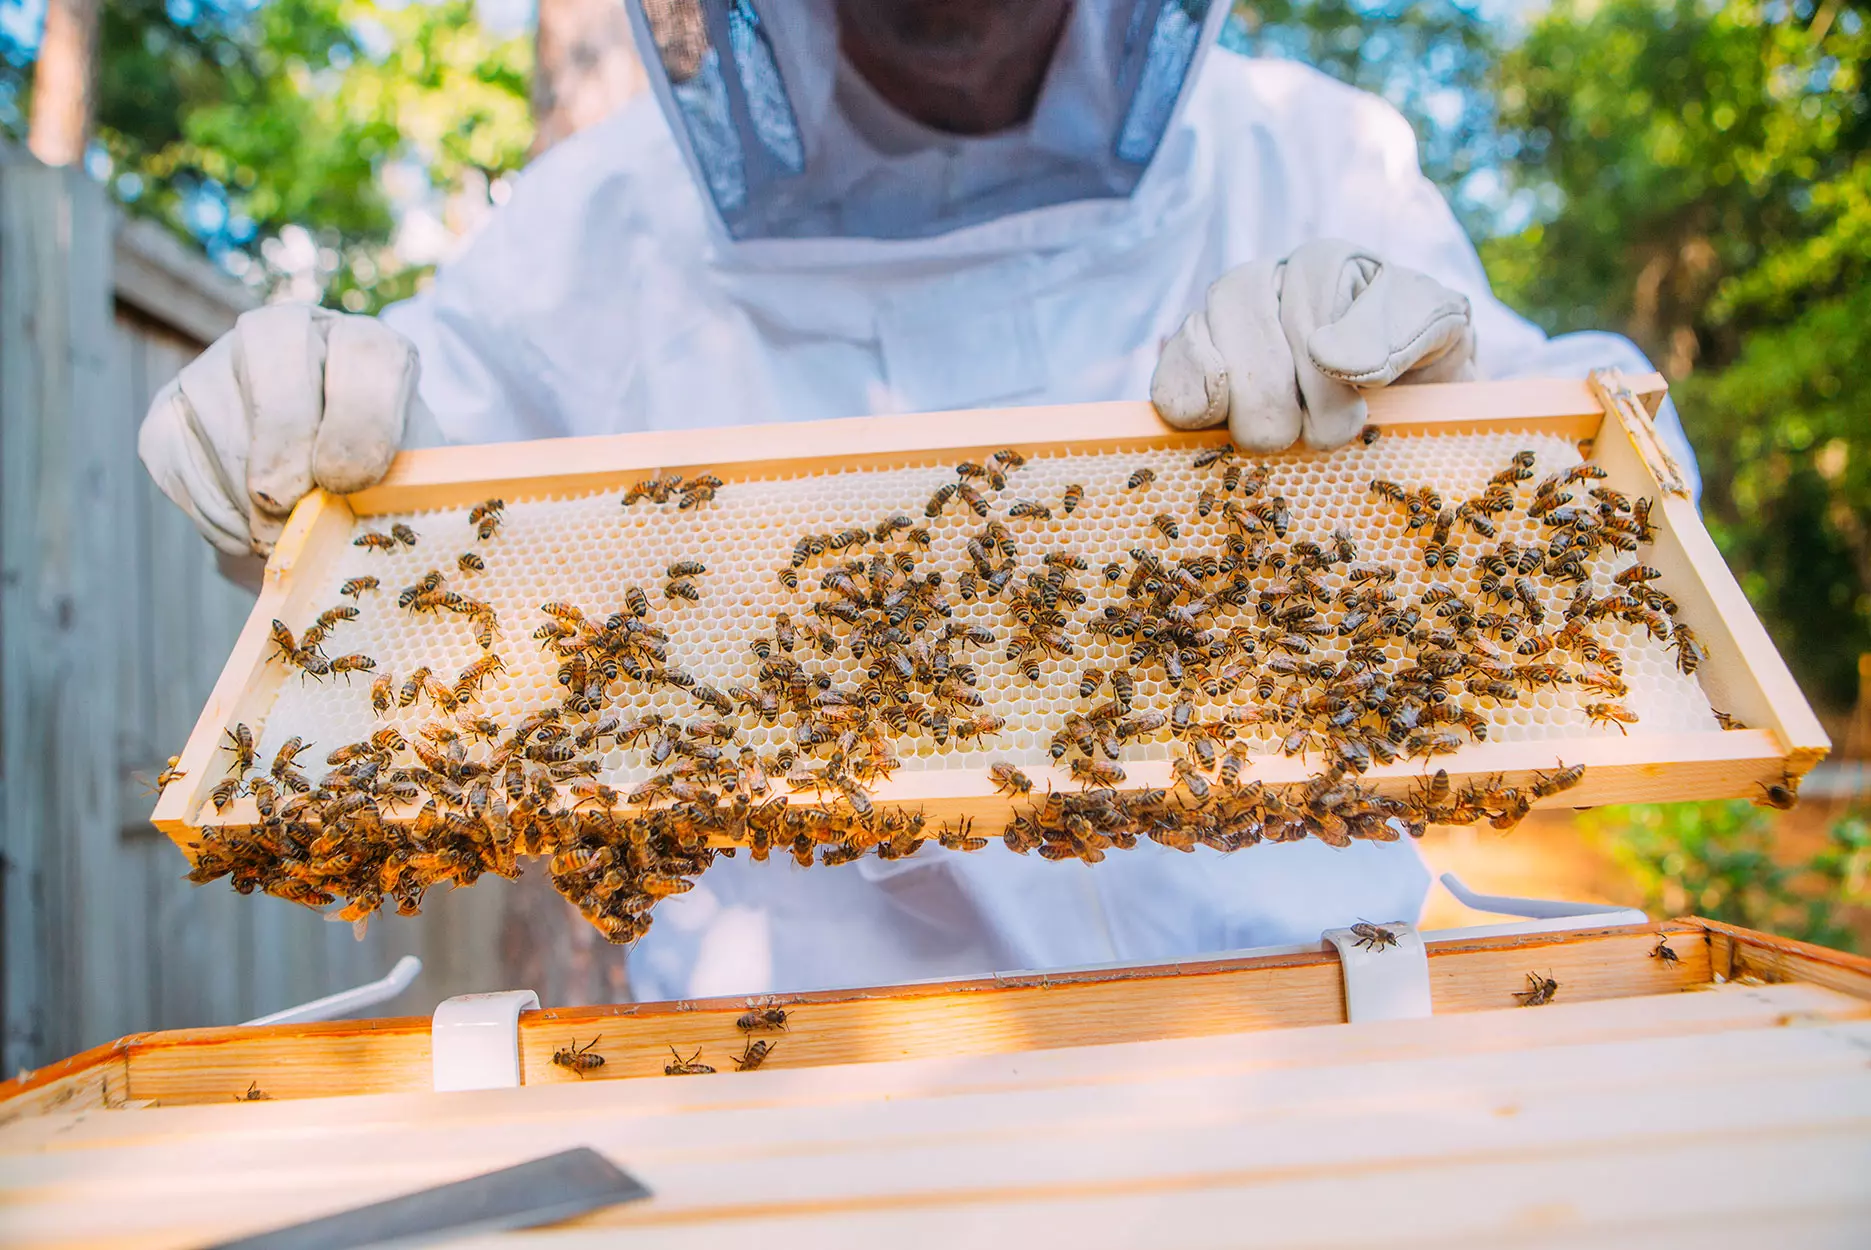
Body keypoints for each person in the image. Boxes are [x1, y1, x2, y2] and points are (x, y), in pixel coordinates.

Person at [139, 0, 1697, 1001]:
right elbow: (393, 502)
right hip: (801, 1104)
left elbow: (1620, 526)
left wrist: (1474, 402)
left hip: (1331, 1027)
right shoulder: (580, 241)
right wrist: (291, 428)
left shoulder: (1313, 158)